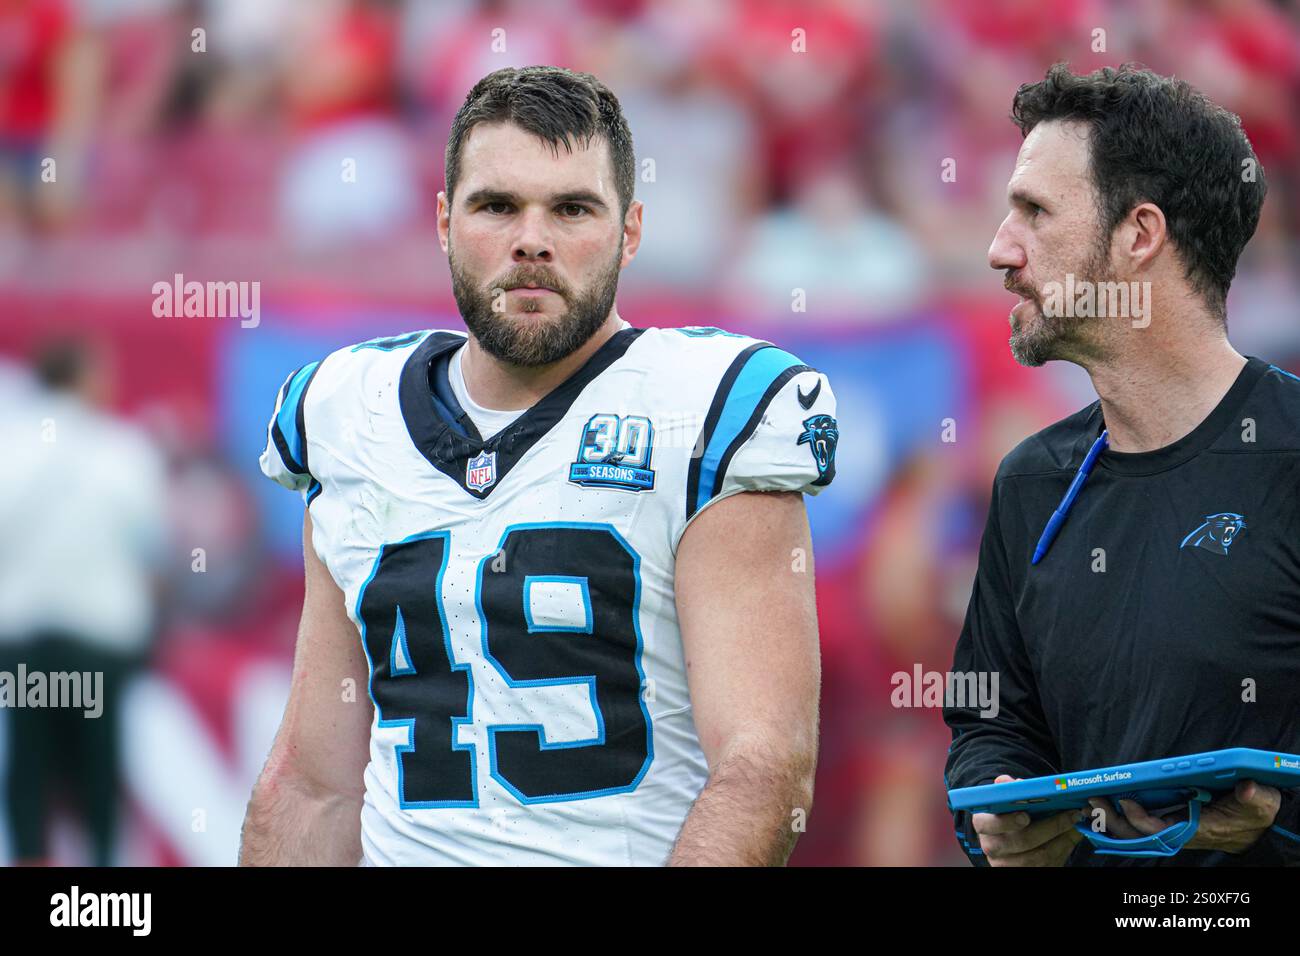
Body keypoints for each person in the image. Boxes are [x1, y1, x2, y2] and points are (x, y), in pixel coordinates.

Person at [239, 66, 839, 866]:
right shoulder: (350, 413)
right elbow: (314, 781)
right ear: (445, 222)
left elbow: (764, 769)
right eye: (497, 206)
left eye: (571, 208)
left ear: (629, 230)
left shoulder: (707, 412)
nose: (531, 238)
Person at [943, 63, 1300, 867]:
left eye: (1034, 211)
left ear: (1140, 236)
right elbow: (987, 713)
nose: (1000, 249)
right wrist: (997, 814)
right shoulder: (1031, 480)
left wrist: (1270, 824)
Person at [0, 338, 167, 865]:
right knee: (98, 774)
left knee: (28, 770)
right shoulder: (122, 449)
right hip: (99, 641)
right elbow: (153, 546)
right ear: (82, 377)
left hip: (24, 641)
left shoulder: (10, 445)